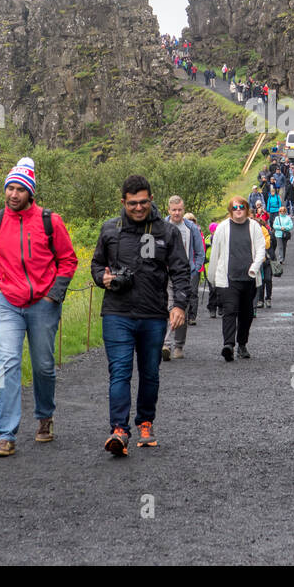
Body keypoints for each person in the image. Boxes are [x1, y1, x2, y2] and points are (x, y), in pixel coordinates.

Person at [0, 157, 79, 458]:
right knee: (7, 364)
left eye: (20, 189)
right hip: (8, 304)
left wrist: (54, 295)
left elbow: (68, 260)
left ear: (30, 193)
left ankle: (45, 417)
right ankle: (6, 435)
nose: (14, 194)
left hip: (43, 304)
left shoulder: (49, 221)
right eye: (10, 189)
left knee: (44, 366)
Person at [90, 175, 191, 456]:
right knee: (119, 371)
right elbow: (96, 264)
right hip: (117, 313)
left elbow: (181, 271)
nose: (138, 208)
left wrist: (179, 305)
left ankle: (146, 422)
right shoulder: (110, 229)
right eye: (132, 203)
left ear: (151, 199)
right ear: (123, 202)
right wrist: (103, 277)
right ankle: (119, 431)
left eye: (143, 202)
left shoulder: (166, 232)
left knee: (150, 373)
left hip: (152, 314)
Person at [207, 196, 267, 360]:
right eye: (235, 207)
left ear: (246, 209)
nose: (238, 210)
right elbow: (215, 254)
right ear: (230, 210)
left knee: (247, 314)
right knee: (230, 311)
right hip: (228, 279)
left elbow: (261, 250)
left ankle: (242, 344)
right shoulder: (222, 228)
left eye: (241, 207)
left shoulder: (254, 226)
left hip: (249, 279)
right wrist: (212, 278)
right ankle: (228, 345)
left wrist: (254, 268)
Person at [162, 196, 205, 361]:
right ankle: (165, 344)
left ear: (183, 209)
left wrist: (193, 269)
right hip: (165, 275)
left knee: (182, 310)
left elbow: (200, 252)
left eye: (180, 209)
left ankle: (179, 345)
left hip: (184, 275)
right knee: (166, 308)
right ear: (169, 210)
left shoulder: (191, 228)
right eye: (174, 210)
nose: (177, 213)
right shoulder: (162, 227)